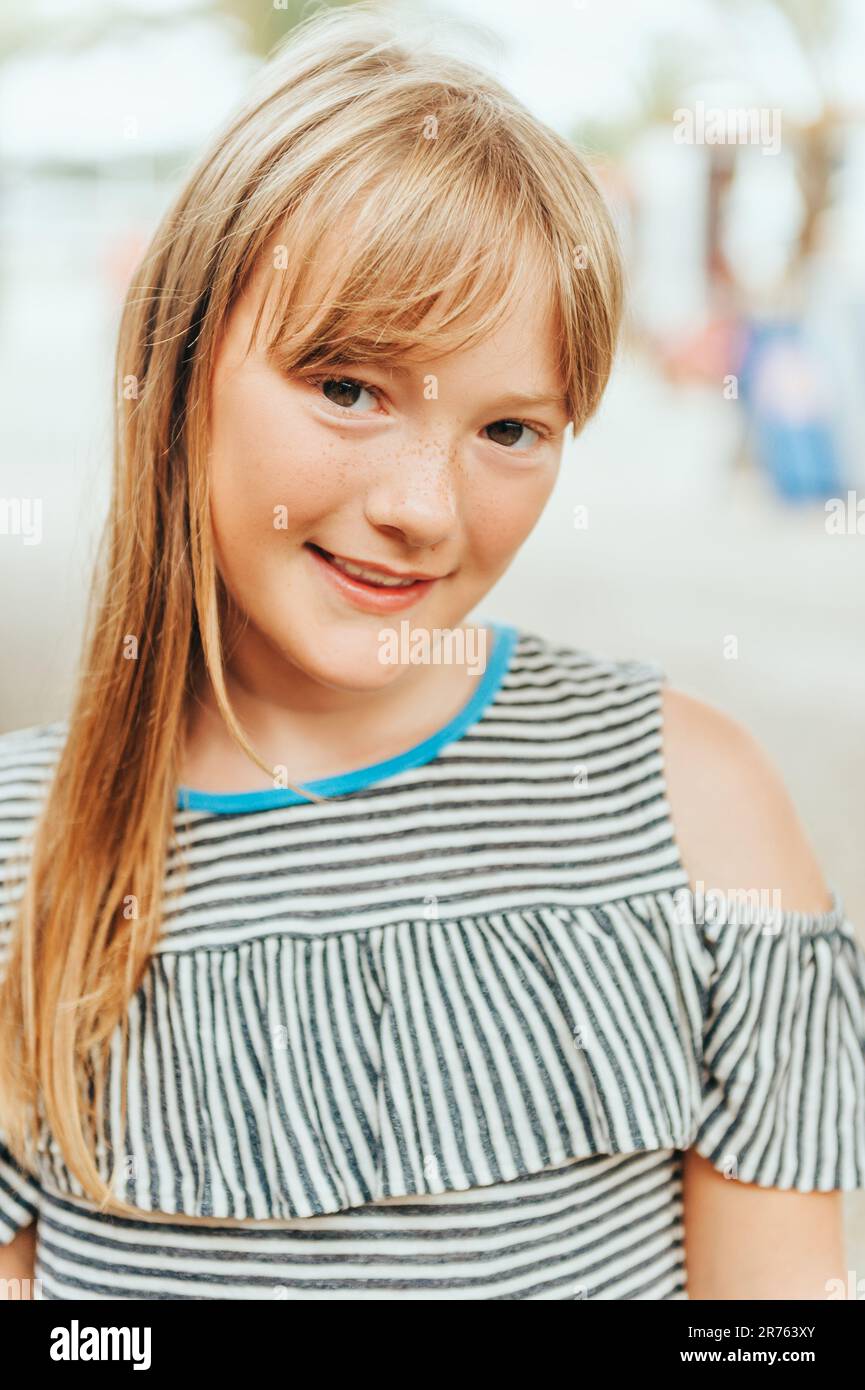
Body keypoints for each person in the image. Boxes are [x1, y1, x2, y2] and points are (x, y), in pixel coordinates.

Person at [1, 4, 863, 1302]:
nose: (425, 506)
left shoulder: (691, 804)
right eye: (348, 388)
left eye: (509, 427)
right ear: (176, 366)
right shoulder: (25, 859)